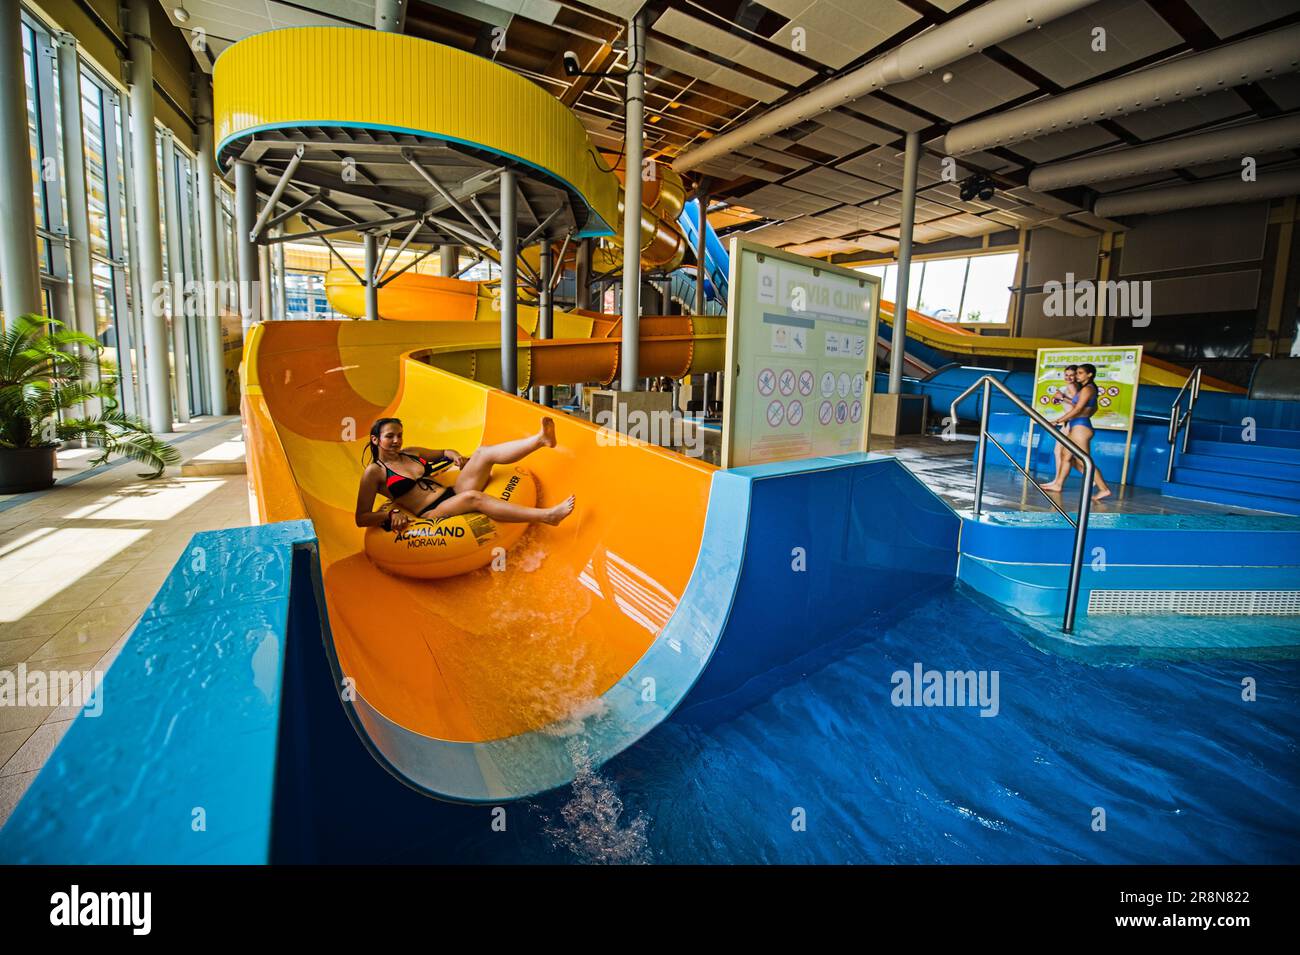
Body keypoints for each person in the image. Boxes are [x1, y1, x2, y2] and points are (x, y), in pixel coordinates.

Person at [355, 416, 576, 533]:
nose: (396, 441)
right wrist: (390, 515)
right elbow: (361, 518)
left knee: (483, 453)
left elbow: (444, 452)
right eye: (389, 436)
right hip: (431, 511)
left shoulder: (411, 453)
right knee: (474, 498)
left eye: (399, 435)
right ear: (375, 440)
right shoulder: (375, 472)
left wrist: (456, 456)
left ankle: (540, 440)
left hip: (452, 492)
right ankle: (548, 516)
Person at [1041, 363, 1112, 501]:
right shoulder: (1085, 389)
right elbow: (1092, 408)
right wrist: (1085, 412)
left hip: (1081, 428)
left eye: (1080, 373)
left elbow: (1077, 409)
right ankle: (1058, 484)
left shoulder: (1088, 389)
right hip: (1077, 426)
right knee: (1066, 455)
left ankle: (1104, 489)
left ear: (1089, 374)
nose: (1076, 375)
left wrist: (1057, 421)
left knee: (1085, 461)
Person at [1049, 365, 1078, 483]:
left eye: (1072, 375)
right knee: (1061, 453)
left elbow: (1077, 406)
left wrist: (1062, 397)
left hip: (1072, 423)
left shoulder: (1073, 386)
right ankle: (1057, 480)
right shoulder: (1069, 387)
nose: (1069, 377)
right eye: (1066, 375)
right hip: (1067, 423)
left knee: (1063, 453)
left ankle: (1058, 480)